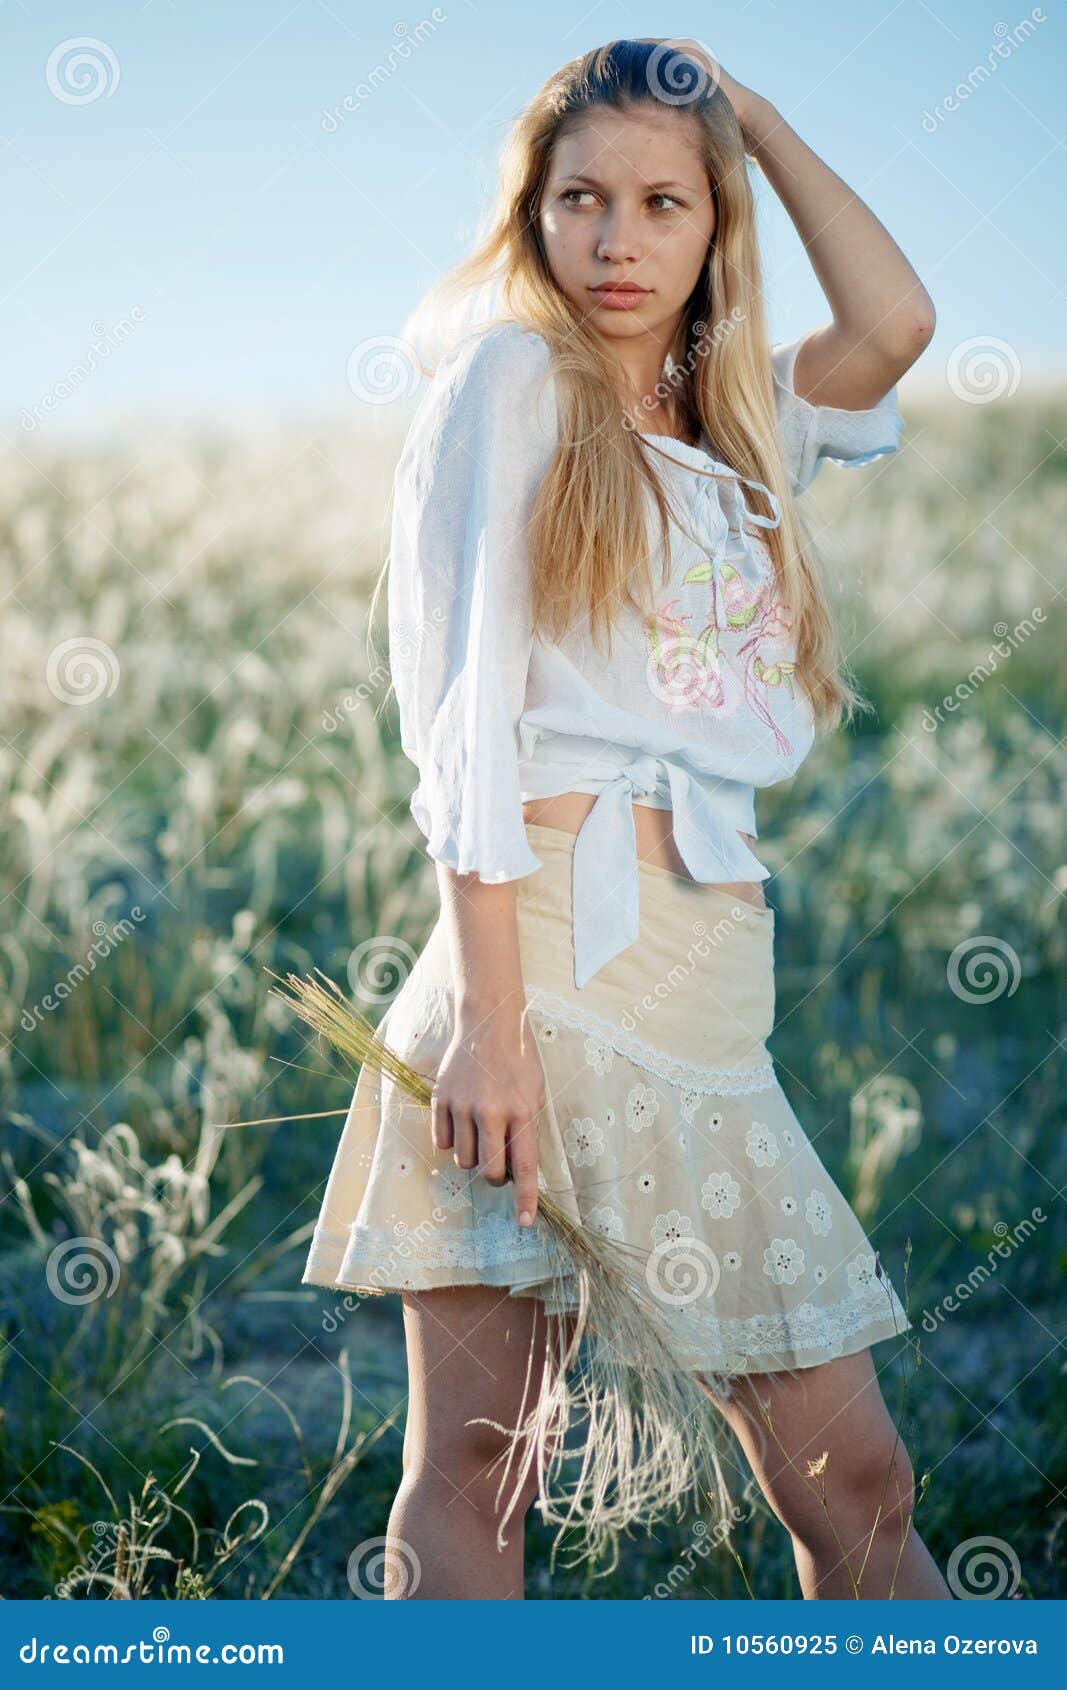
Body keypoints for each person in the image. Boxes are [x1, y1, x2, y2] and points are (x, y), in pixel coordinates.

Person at [303, 38, 951, 1600]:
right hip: (532, 964)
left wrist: (766, 123)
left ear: (716, 223)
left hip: (710, 993)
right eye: (580, 198)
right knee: (479, 1457)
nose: (616, 241)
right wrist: (493, 1034)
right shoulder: (511, 385)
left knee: (851, 1475)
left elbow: (898, 323)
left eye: (665, 203)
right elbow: (466, 729)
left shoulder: (739, 432)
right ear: (533, 215)